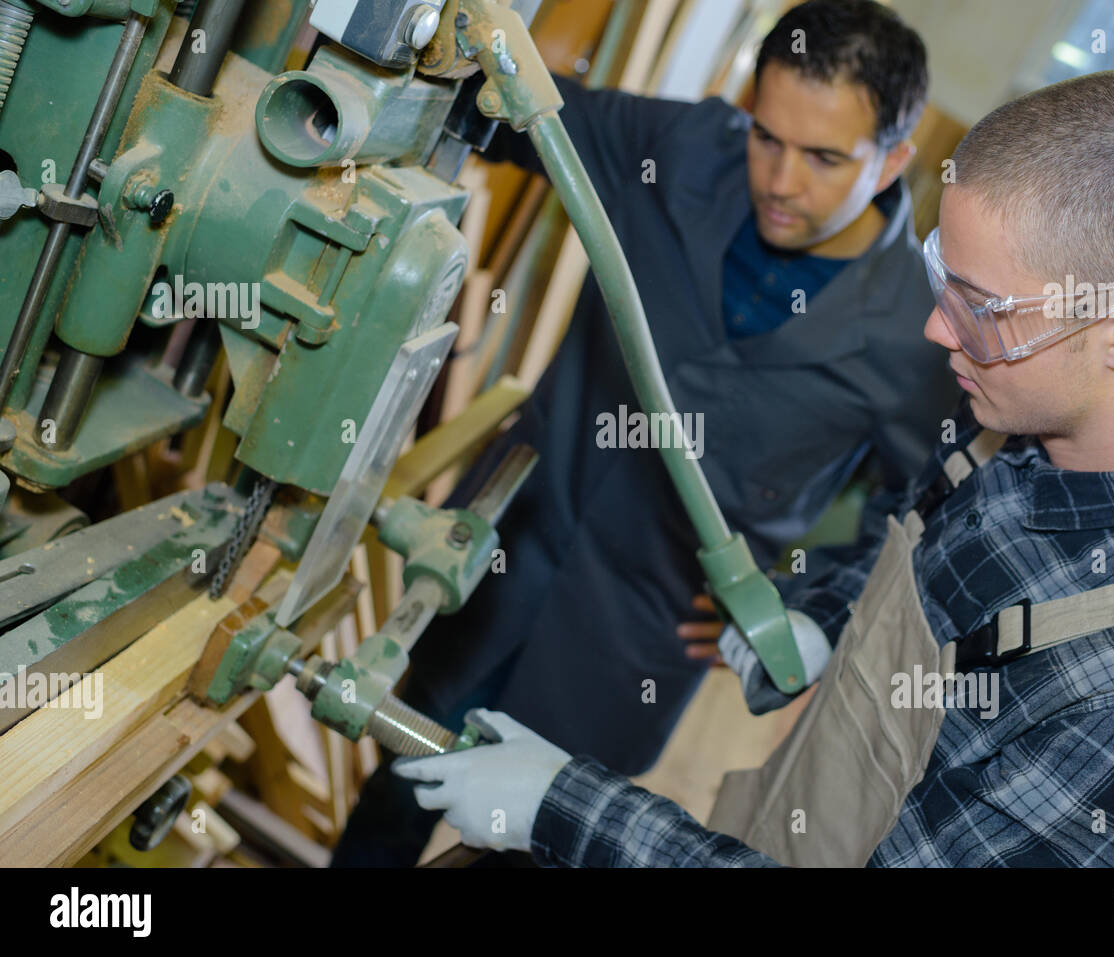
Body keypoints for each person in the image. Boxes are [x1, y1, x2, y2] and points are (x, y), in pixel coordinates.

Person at [392, 68, 1114, 867]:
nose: (939, 329)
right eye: (944, 274)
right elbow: (907, 523)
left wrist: (564, 808)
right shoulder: (1018, 407)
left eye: (980, 306)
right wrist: (824, 614)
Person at [332, 0, 957, 866]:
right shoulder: (683, 150)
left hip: (638, 635)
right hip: (502, 549)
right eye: (766, 136)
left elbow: (909, 505)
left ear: (893, 159)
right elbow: (514, 114)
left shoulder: (915, 339)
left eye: (823, 158)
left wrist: (805, 596)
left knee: (538, 842)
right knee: (401, 776)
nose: (780, 180)